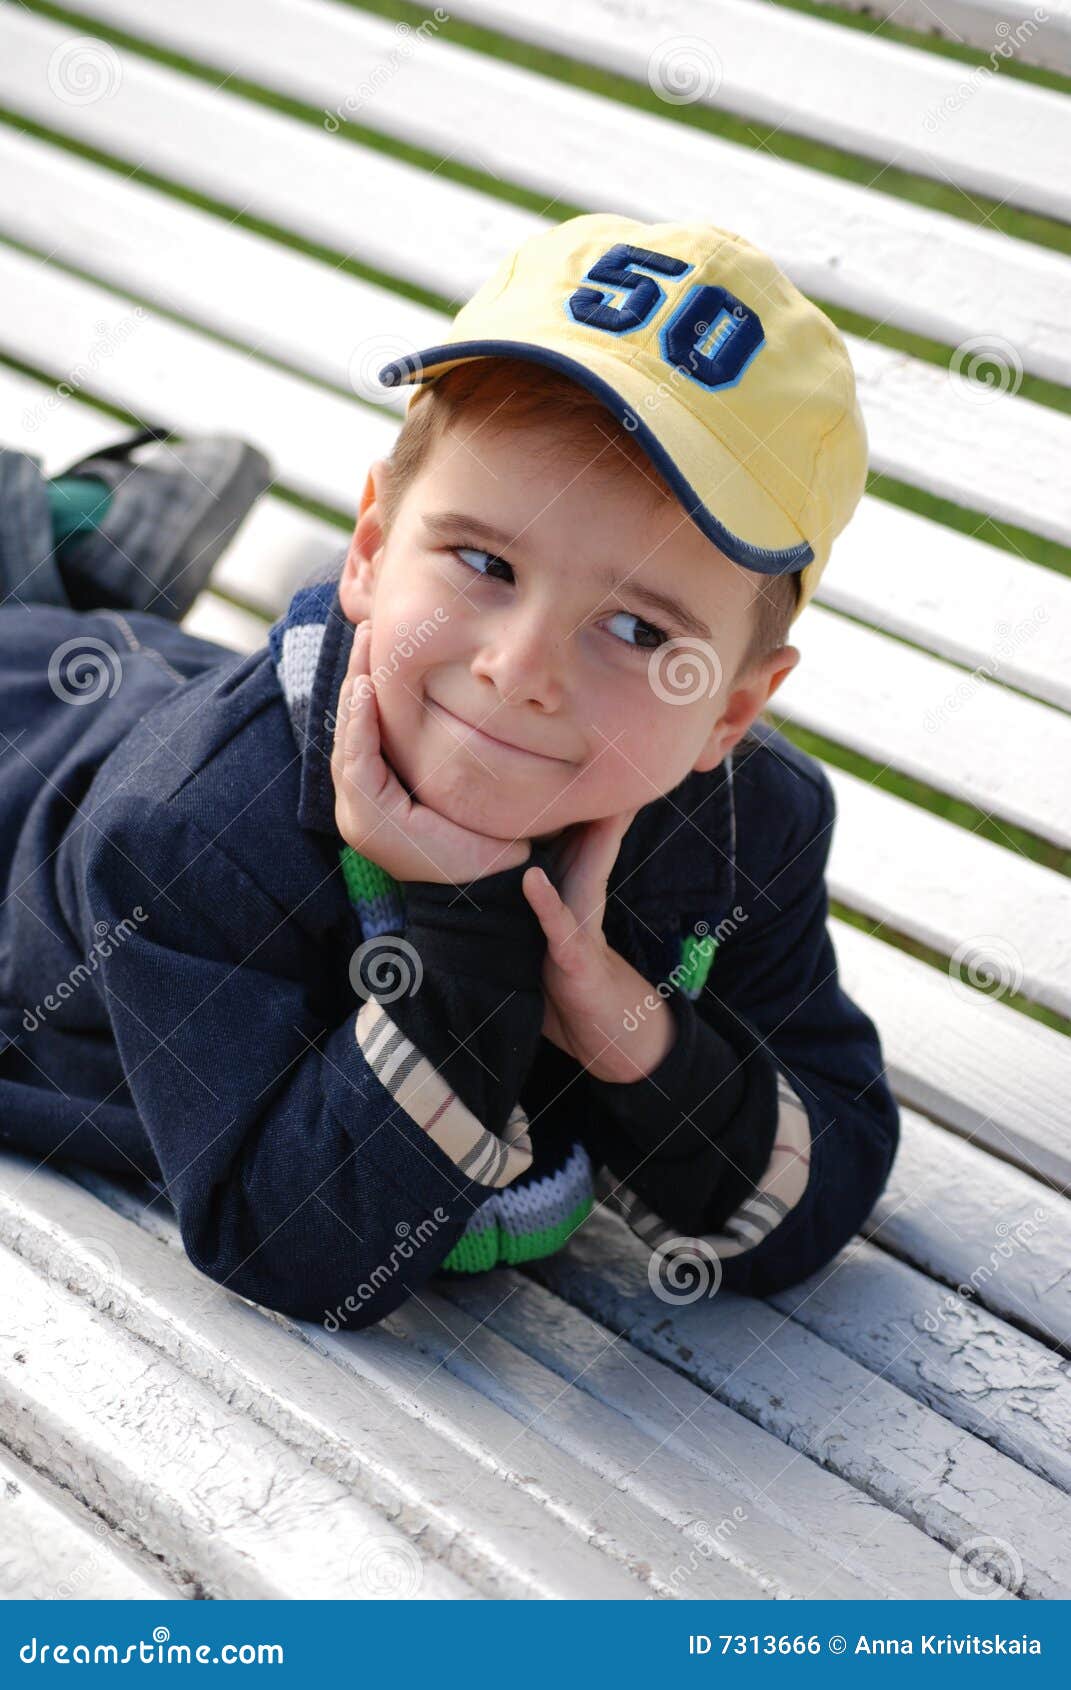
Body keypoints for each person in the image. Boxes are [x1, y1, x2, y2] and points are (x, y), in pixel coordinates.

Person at [0, 211, 900, 1326]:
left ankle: (69, 544)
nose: (522, 670)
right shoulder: (185, 830)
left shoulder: (745, 828)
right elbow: (287, 1243)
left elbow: (832, 1161)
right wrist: (466, 924)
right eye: (484, 562)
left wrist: (635, 1032)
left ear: (731, 709)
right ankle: (53, 533)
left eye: (637, 631)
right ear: (370, 551)